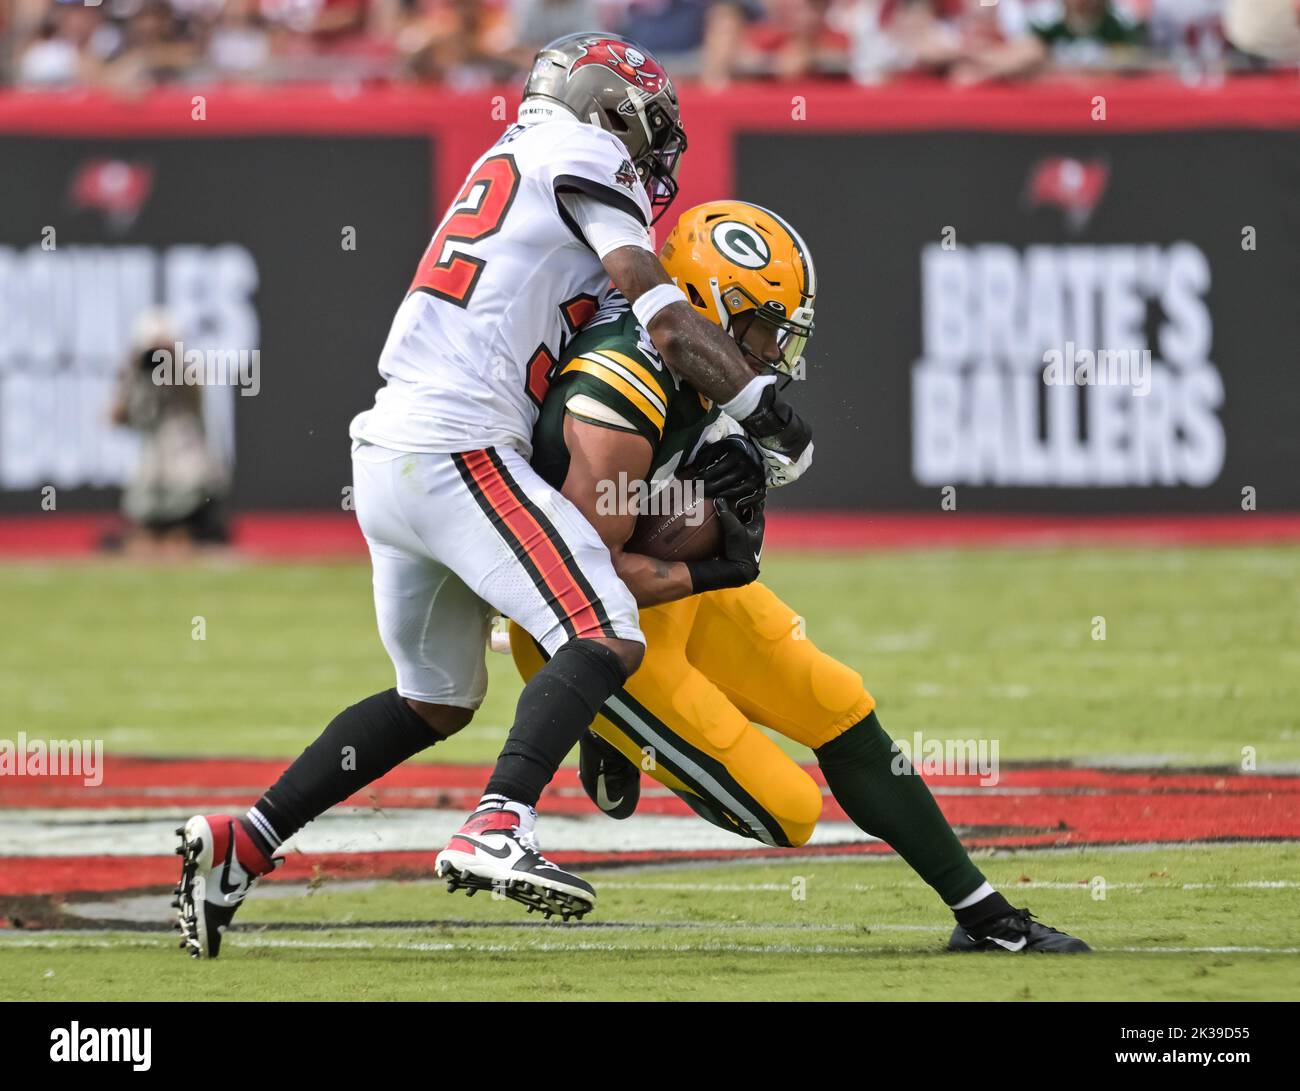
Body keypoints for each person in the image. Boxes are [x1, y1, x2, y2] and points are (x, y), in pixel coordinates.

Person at [173, 31, 814, 957]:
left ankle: (245, 842)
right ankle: (497, 823)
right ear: (610, 111)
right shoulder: (585, 156)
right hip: (456, 445)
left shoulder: (510, 160)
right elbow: (667, 322)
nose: (655, 153)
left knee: (433, 697)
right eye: (650, 130)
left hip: (391, 447)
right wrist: (762, 410)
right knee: (599, 627)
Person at [507, 198, 1089, 952]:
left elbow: (726, 468)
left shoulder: (689, 370)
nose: (773, 351)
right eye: (759, 330)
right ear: (709, 306)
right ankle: (598, 717)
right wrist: (714, 565)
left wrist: (732, 485)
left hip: (652, 585)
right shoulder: (620, 392)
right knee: (788, 809)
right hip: (585, 629)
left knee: (839, 706)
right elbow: (578, 581)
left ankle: (984, 915)